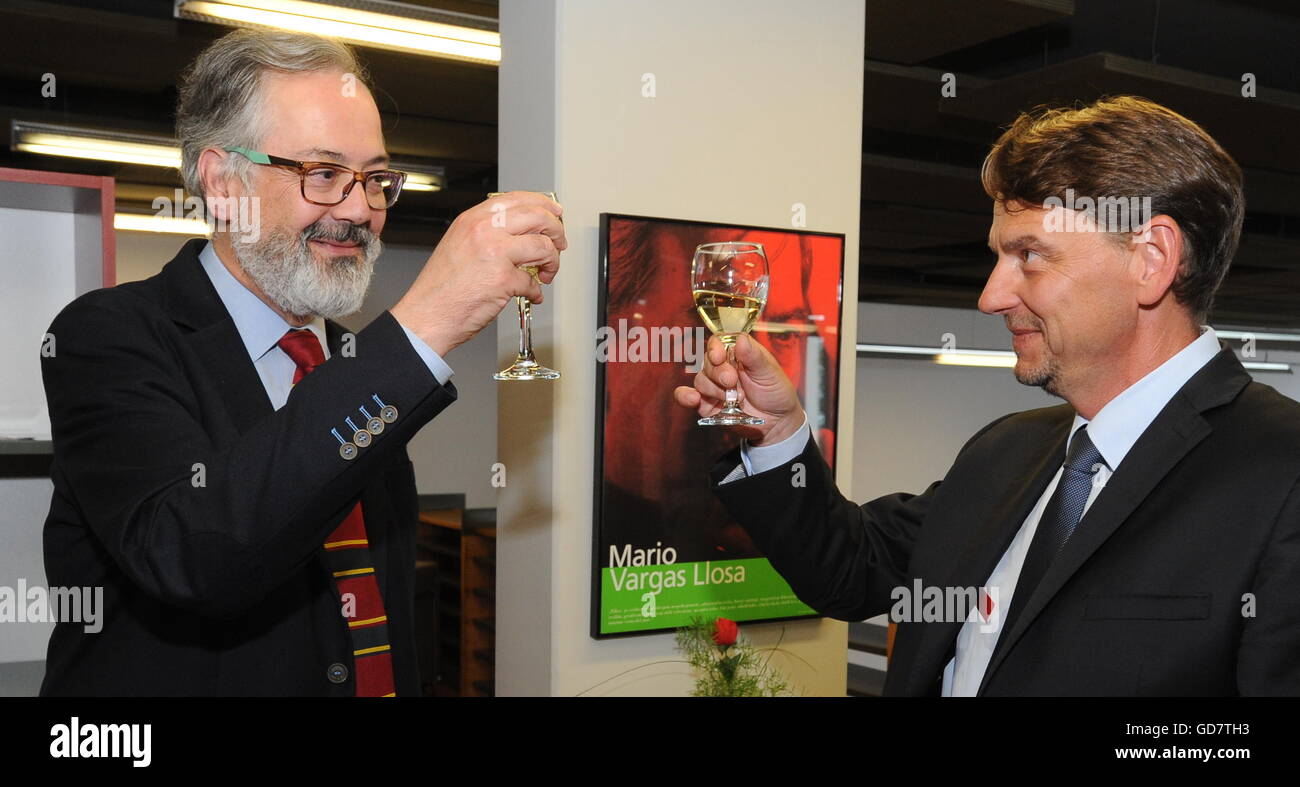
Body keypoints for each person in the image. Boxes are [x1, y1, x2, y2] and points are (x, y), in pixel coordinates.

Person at [675, 96, 1300, 696]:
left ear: (1152, 259)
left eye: (1030, 255)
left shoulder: (1280, 475)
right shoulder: (1009, 448)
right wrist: (779, 436)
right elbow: (852, 569)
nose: (990, 296)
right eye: (999, 257)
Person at [38, 29, 564, 696]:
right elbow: (193, 553)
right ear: (223, 183)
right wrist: (424, 320)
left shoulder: (345, 362)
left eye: (374, 178)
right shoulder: (107, 338)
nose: (358, 209)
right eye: (323, 175)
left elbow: (381, 609)